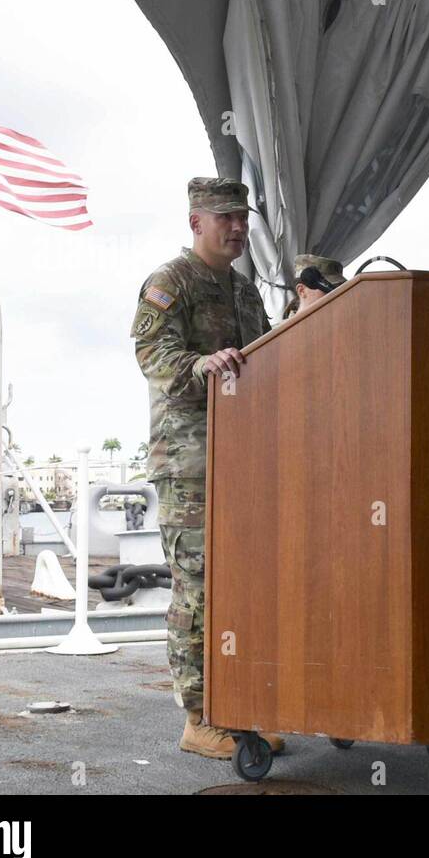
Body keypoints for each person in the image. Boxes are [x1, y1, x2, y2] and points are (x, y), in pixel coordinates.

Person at [130, 176, 285, 760]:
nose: (238, 227)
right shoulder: (171, 281)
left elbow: (272, 351)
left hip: (247, 461)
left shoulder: (244, 291)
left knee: (245, 587)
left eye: (242, 217)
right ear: (196, 222)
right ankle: (199, 718)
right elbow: (153, 355)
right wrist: (201, 365)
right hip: (190, 463)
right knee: (197, 590)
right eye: (225, 218)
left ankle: (239, 706)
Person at [279, 254, 347, 320]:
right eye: (326, 286)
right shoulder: (284, 330)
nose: (335, 293)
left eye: (338, 288)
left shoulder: (338, 321)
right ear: (302, 291)